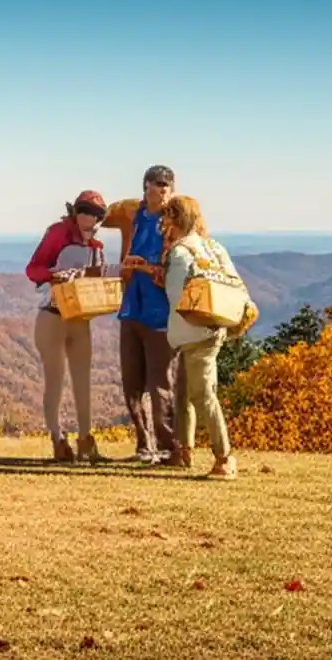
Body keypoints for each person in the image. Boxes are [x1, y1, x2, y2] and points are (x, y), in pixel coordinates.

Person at [159, 195, 250, 479]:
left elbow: (175, 295)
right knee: (186, 393)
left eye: (166, 217)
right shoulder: (214, 247)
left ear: (175, 219)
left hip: (193, 331)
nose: (163, 222)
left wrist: (160, 275)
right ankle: (183, 451)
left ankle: (224, 457)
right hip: (215, 325)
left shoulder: (179, 253)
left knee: (203, 395)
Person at [25, 190, 117, 462]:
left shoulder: (96, 248)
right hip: (52, 315)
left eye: (94, 213)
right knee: (55, 379)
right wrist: (54, 276)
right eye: (83, 211)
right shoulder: (58, 233)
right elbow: (33, 269)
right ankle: (58, 439)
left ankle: (86, 440)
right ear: (75, 211)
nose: (88, 217)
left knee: (83, 381)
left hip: (80, 318)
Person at [102, 165, 184, 464]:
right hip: (131, 309)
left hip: (160, 314)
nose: (161, 190)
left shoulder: (175, 222)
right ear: (146, 186)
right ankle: (144, 445)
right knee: (131, 383)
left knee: (161, 385)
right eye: (157, 184)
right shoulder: (134, 216)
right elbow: (105, 216)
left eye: (166, 186)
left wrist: (146, 268)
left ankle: (170, 448)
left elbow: (180, 268)